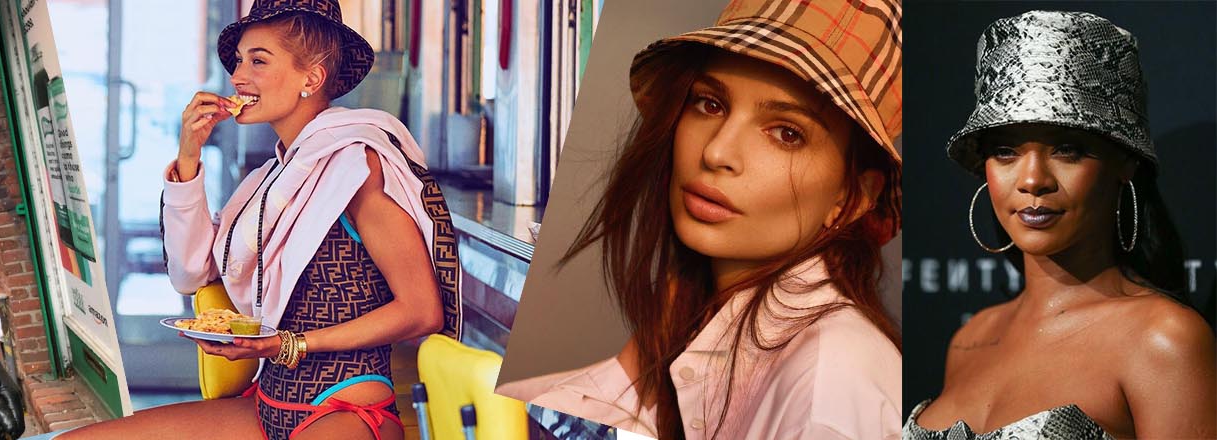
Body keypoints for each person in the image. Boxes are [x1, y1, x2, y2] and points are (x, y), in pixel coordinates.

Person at [497, 0, 905, 438]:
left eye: (787, 133)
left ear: (853, 196)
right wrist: (641, 361)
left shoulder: (831, 384)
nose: (716, 152)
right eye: (710, 104)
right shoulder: (702, 328)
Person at [62, 1, 461, 439]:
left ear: (312, 77)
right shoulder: (267, 180)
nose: (237, 77)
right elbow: (189, 273)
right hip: (264, 405)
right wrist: (188, 156)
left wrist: (292, 343)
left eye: (258, 60)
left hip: (344, 411)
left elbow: (422, 310)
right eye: (238, 61)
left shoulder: (360, 164)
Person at [906, 11, 1216, 439]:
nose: (1033, 180)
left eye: (1068, 149)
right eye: (1006, 152)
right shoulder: (968, 339)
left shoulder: (1163, 340)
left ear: (1124, 161)